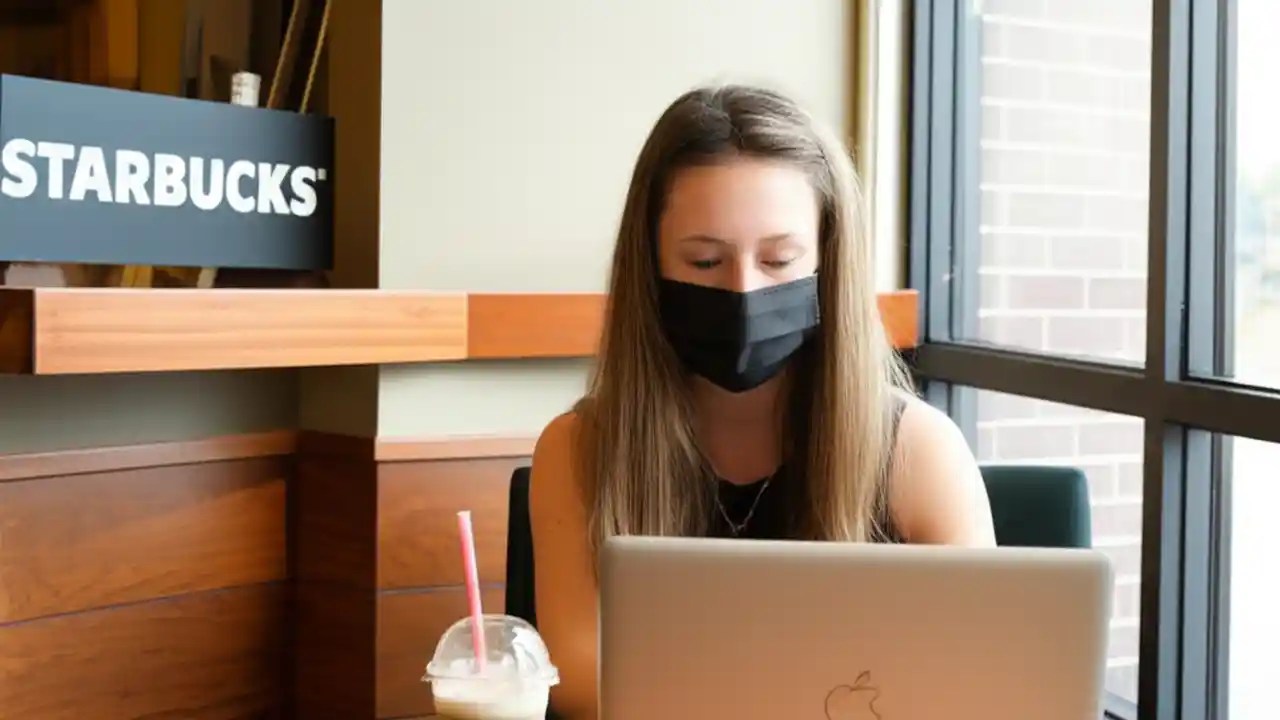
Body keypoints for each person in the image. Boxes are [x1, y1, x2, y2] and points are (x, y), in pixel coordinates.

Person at [529, 84, 995, 718]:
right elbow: (583, 684)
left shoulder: (918, 447)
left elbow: (983, 673)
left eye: (780, 260)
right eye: (704, 260)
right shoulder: (578, 449)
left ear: (829, 262)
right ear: (651, 264)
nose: (744, 290)